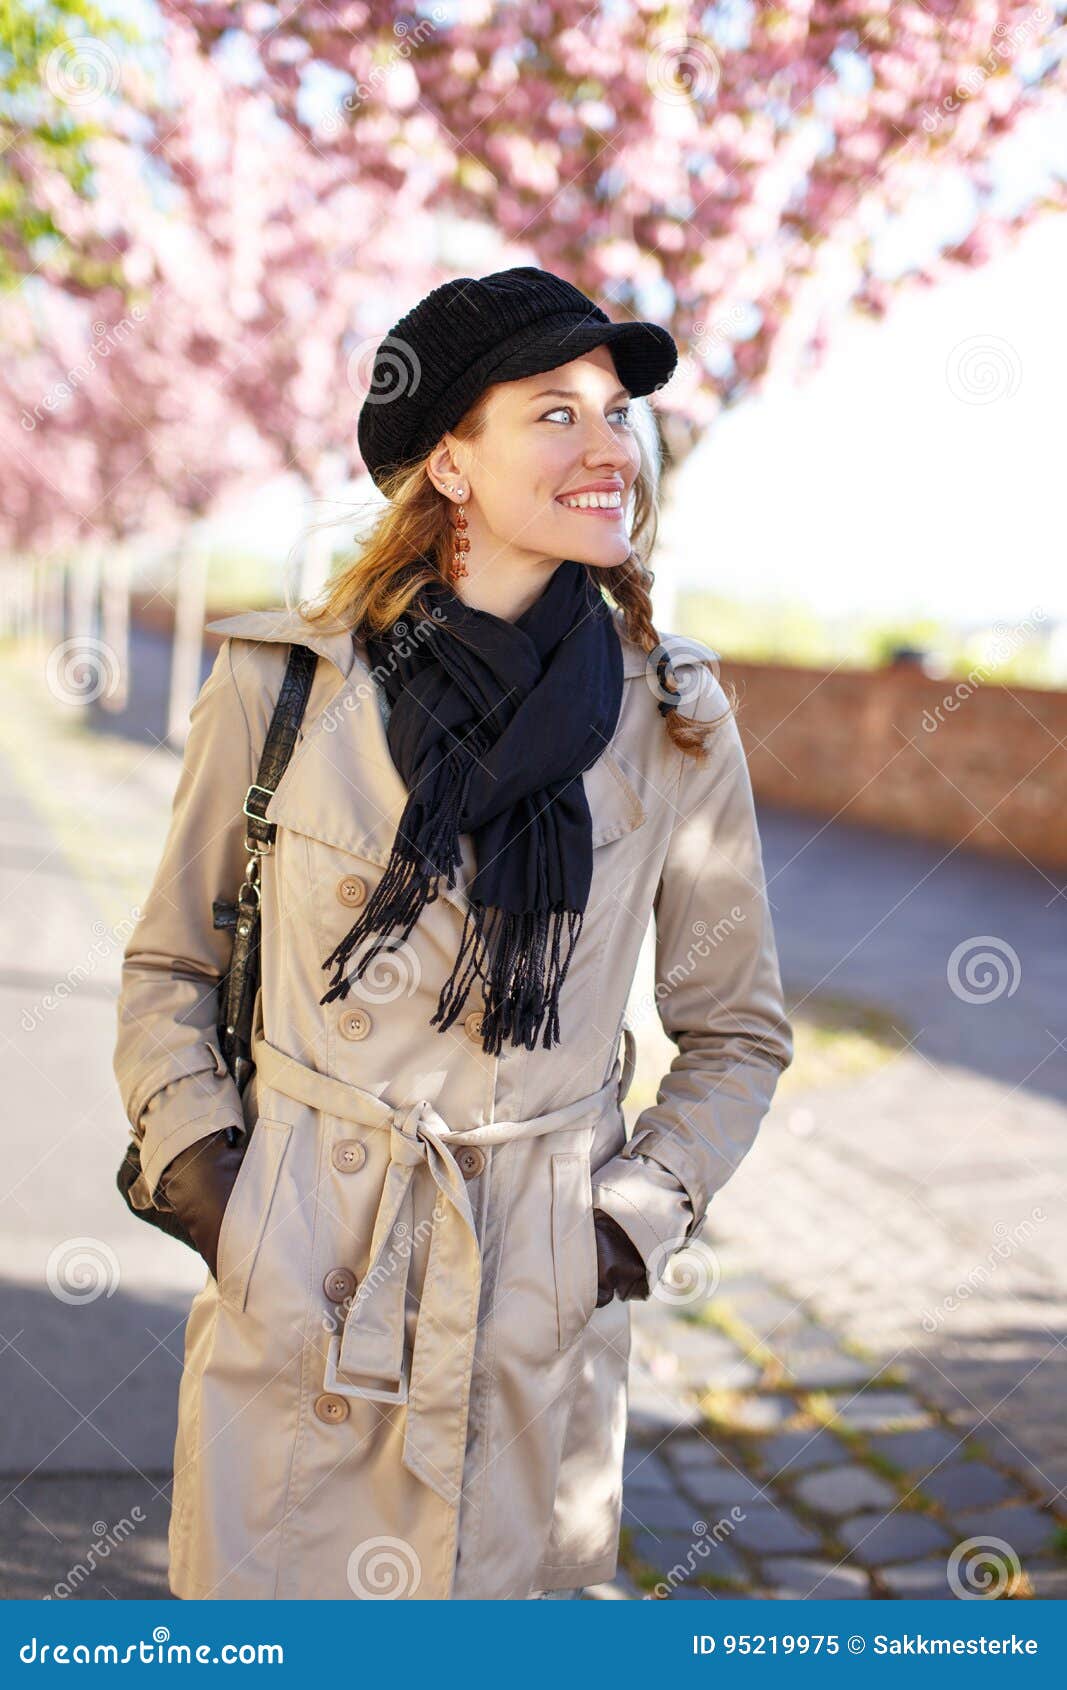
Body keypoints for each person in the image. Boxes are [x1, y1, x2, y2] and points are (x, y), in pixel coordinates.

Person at [113, 265, 794, 1601]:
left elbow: (737, 1031)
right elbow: (169, 968)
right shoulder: (282, 686)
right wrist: (217, 1189)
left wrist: (613, 1232)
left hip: (530, 1301)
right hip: (305, 1276)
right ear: (449, 465)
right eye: (557, 413)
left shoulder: (677, 720)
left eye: (617, 414)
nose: (612, 448)